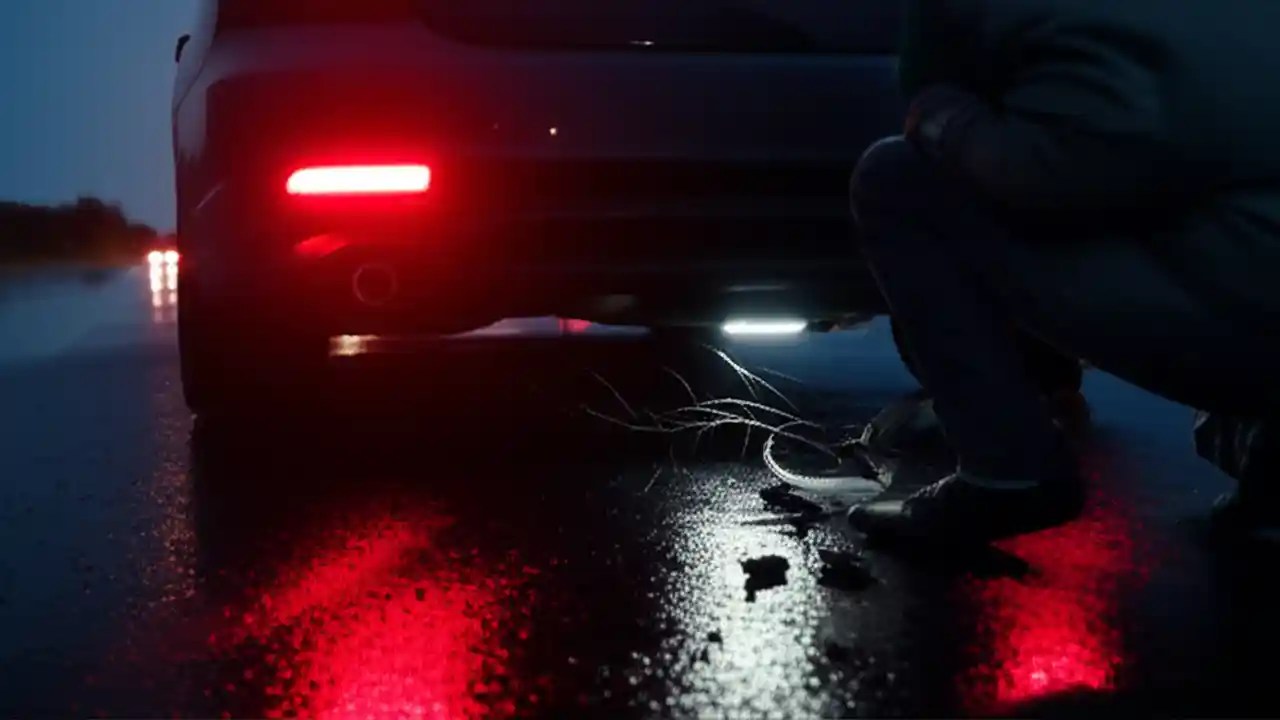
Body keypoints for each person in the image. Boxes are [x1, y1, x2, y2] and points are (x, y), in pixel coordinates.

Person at [847, 0, 1280, 545]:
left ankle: (1006, 471)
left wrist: (941, 118)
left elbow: (1052, 174)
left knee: (897, 178)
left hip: (1251, 317)